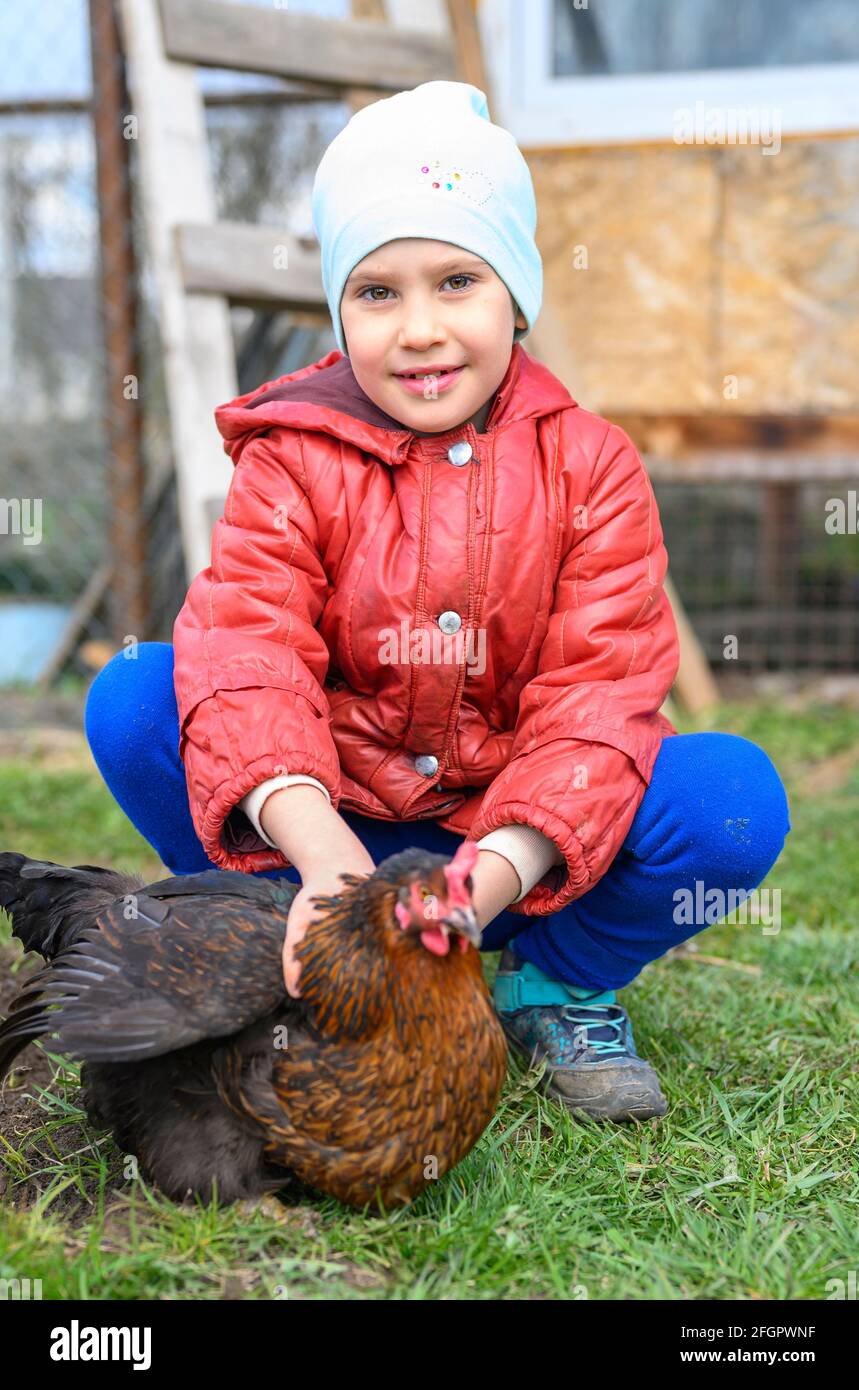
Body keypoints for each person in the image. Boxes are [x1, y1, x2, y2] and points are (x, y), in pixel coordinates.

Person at [85, 82, 791, 1124]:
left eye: (456, 280)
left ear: (515, 293)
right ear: (338, 309)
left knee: (729, 798)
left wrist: (483, 882)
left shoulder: (590, 468)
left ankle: (542, 980)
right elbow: (248, 649)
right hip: (330, 833)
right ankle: (281, 937)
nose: (419, 330)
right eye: (376, 292)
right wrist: (322, 855)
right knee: (141, 696)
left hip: (516, 861)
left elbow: (596, 704)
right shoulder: (291, 460)